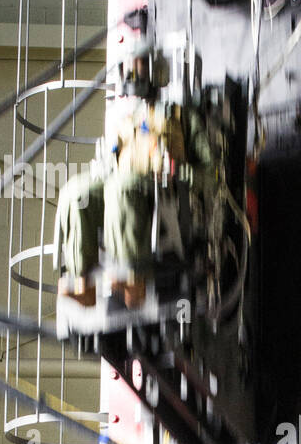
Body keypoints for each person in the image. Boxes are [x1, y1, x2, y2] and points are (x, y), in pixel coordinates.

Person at [53, 38, 215, 309]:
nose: (133, 74)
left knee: (121, 185)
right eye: (129, 68)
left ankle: (131, 275)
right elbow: (108, 163)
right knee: (76, 191)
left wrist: (179, 172)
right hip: (124, 187)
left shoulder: (182, 116)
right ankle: (81, 279)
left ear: (156, 71)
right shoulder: (125, 121)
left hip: (165, 192)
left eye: (139, 67)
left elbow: (211, 175)